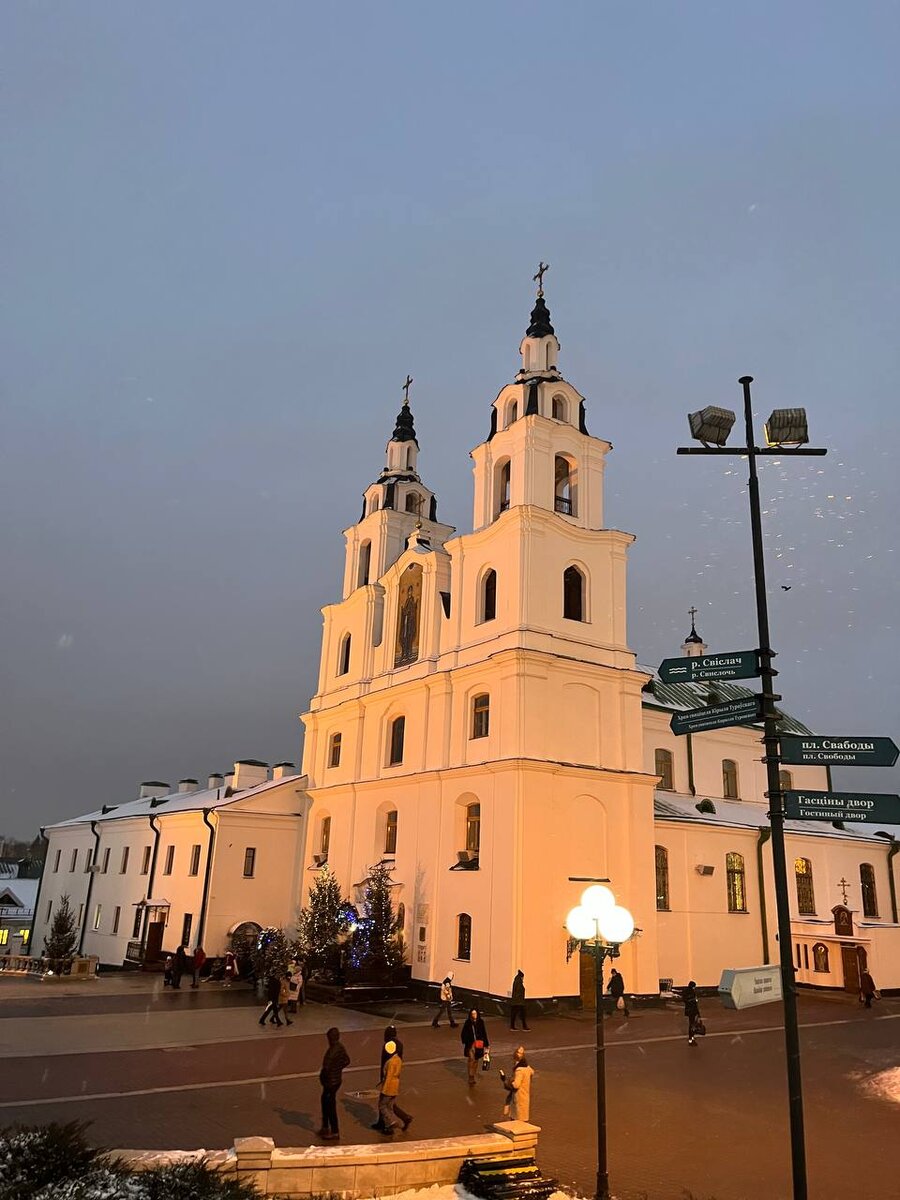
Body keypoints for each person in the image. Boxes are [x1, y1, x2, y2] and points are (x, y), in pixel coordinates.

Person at [374, 1040, 413, 1135]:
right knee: (390, 1105)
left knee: (382, 1105)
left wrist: (384, 1089)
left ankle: (391, 1122)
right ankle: (389, 1125)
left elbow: (389, 1076)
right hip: (395, 1085)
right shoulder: (398, 1060)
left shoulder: (391, 1061)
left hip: (389, 1086)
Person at [318, 1026, 350, 1141]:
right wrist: (338, 1068)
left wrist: (324, 1076)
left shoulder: (332, 1051)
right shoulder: (341, 1047)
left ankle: (334, 1131)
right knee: (325, 1102)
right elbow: (347, 1060)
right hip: (336, 1080)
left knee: (329, 1105)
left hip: (330, 1082)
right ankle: (325, 1126)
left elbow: (326, 1069)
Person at [500, 1046, 534, 1121]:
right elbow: (532, 1072)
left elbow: (516, 1085)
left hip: (518, 1097)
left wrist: (505, 1080)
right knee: (523, 1117)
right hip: (525, 1096)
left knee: (517, 1119)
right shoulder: (527, 1068)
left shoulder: (519, 1070)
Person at [461, 1007, 490, 1086]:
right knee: (471, 1060)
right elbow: (463, 1033)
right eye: (472, 1014)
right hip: (470, 1045)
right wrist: (467, 1041)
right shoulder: (468, 1022)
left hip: (479, 1044)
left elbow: (484, 1033)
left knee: (476, 1060)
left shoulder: (481, 1022)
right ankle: (470, 1076)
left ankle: (473, 1074)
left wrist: (486, 1044)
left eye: (475, 1013)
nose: (474, 1015)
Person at [683, 980, 702, 1044]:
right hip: (693, 1011)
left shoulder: (685, 991)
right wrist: (694, 1000)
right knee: (692, 1025)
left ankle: (691, 1038)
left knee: (691, 1024)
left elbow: (685, 1000)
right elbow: (694, 1004)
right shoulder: (692, 992)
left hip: (688, 1011)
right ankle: (691, 1038)